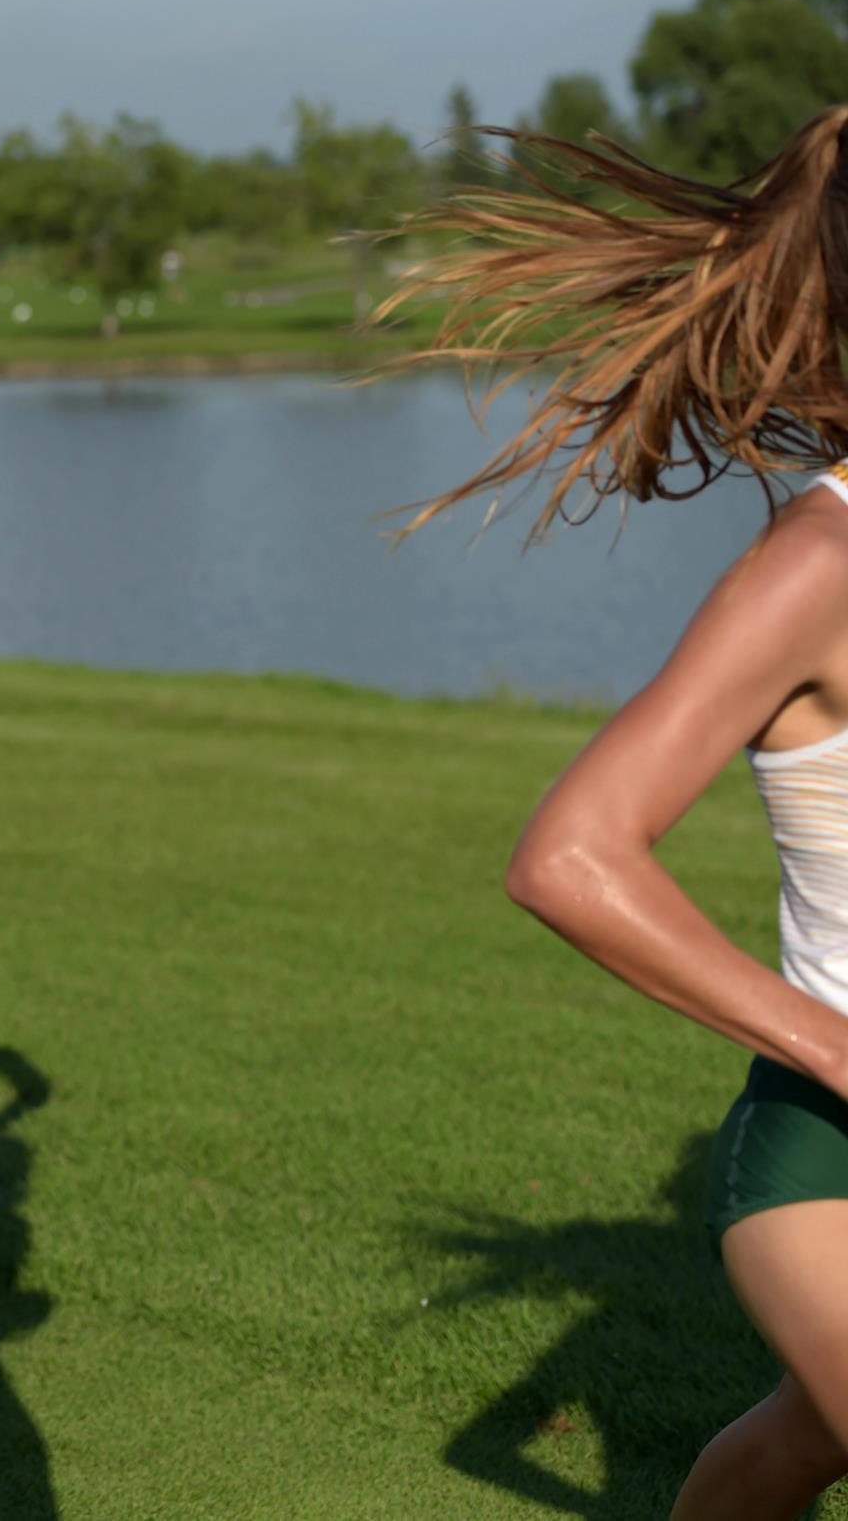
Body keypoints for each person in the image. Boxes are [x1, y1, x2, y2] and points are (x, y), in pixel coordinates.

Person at [384, 106, 848, 1518]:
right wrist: (837, 1045)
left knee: (801, 1441)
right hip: (827, 1154)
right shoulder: (817, 564)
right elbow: (572, 856)